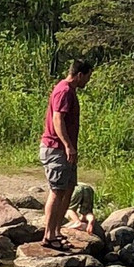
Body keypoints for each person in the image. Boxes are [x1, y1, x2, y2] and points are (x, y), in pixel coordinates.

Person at [40, 59, 94, 251]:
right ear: (80, 75)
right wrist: (68, 145)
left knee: (69, 188)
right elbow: (57, 119)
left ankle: (56, 231)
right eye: (88, 77)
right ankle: (48, 235)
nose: (88, 81)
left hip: (66, 150)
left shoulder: (70, 91)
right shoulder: (64, 91)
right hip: (56, 148)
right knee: (57, 190)